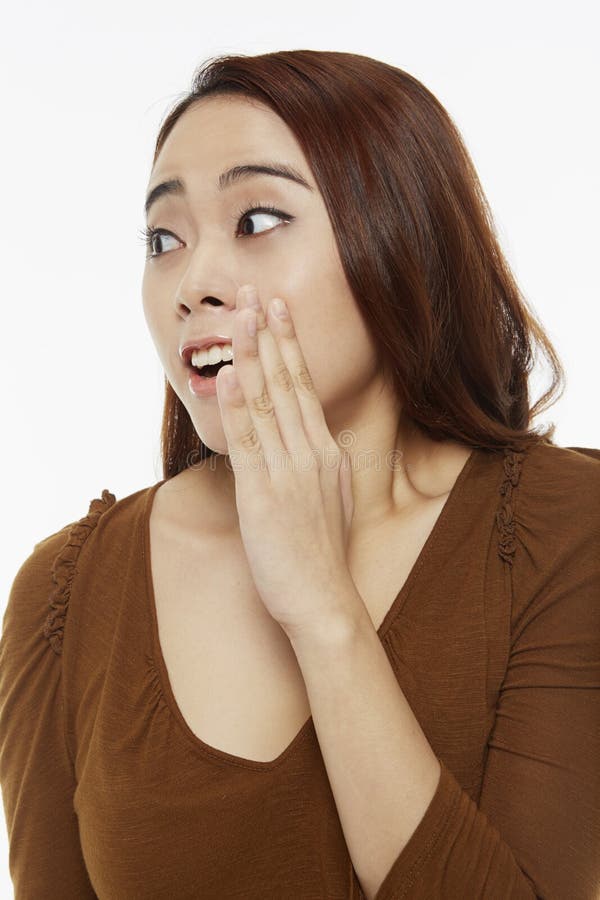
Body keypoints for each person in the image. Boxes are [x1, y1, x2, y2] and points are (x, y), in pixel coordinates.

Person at [0, 48, 598, 899]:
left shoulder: (567, 528)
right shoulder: (66, 592)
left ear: (398, 239)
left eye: (255, 221)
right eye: (164, 238)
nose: (192, 285)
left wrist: (322, 609)